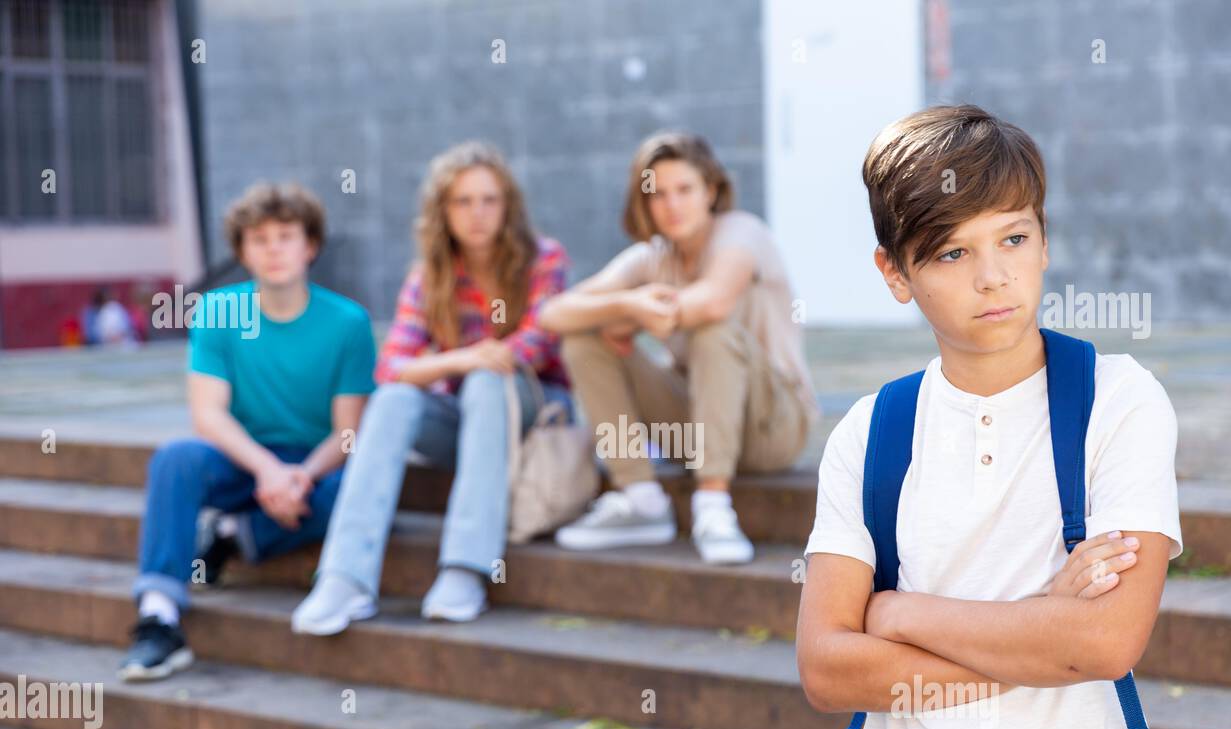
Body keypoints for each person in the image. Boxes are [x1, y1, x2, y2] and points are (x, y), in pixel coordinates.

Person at [797, 105, 1182, 729]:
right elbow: (829, 668)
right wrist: (1044, 633)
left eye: (1014, 237)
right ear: (895, 274)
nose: (993, 276)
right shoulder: (871, 432)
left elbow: (1105, 645)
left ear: (1043, 239)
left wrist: (900, 615)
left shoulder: (1117, 401)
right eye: (950, 252)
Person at [290, 142, 571, 633]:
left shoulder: (543, 258)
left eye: (488, 200)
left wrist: (467, 364)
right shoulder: (430, 276)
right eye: (462, 202)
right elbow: (391, 367)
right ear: (443, 211)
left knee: (485, 382)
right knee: (396, 400)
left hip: (536, 409)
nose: (477, 213)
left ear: (508, 206)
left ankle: (465, 568)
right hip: (465, 419)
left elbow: (535, 347)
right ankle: (346, 577)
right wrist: (462, 358)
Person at [121, 182, 375, 680]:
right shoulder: (218, 312)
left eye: (286, 235)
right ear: (241, 251)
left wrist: (299, 474)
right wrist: (267, 470)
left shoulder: (348, 322)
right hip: (244, 460)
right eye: (259, 239)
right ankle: (159, 617)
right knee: (175, 459)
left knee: (356, 489)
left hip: (315, 466)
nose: (274, 248)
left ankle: (234, 534)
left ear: (311, 245)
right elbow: (208, 415)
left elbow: (349, 433)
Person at [540, 131, 819, 565]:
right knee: (584, 338)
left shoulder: (741, 232)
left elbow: (712, 301)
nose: (672, 204)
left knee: (712, 329)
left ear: (710, 190)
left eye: (685, 190)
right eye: (659, 193)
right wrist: (625, 303)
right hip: (695, 426)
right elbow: (553, 314)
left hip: (772, 427)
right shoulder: (651, 257)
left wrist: (625, 317)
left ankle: (712, 507)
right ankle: (640, 499)